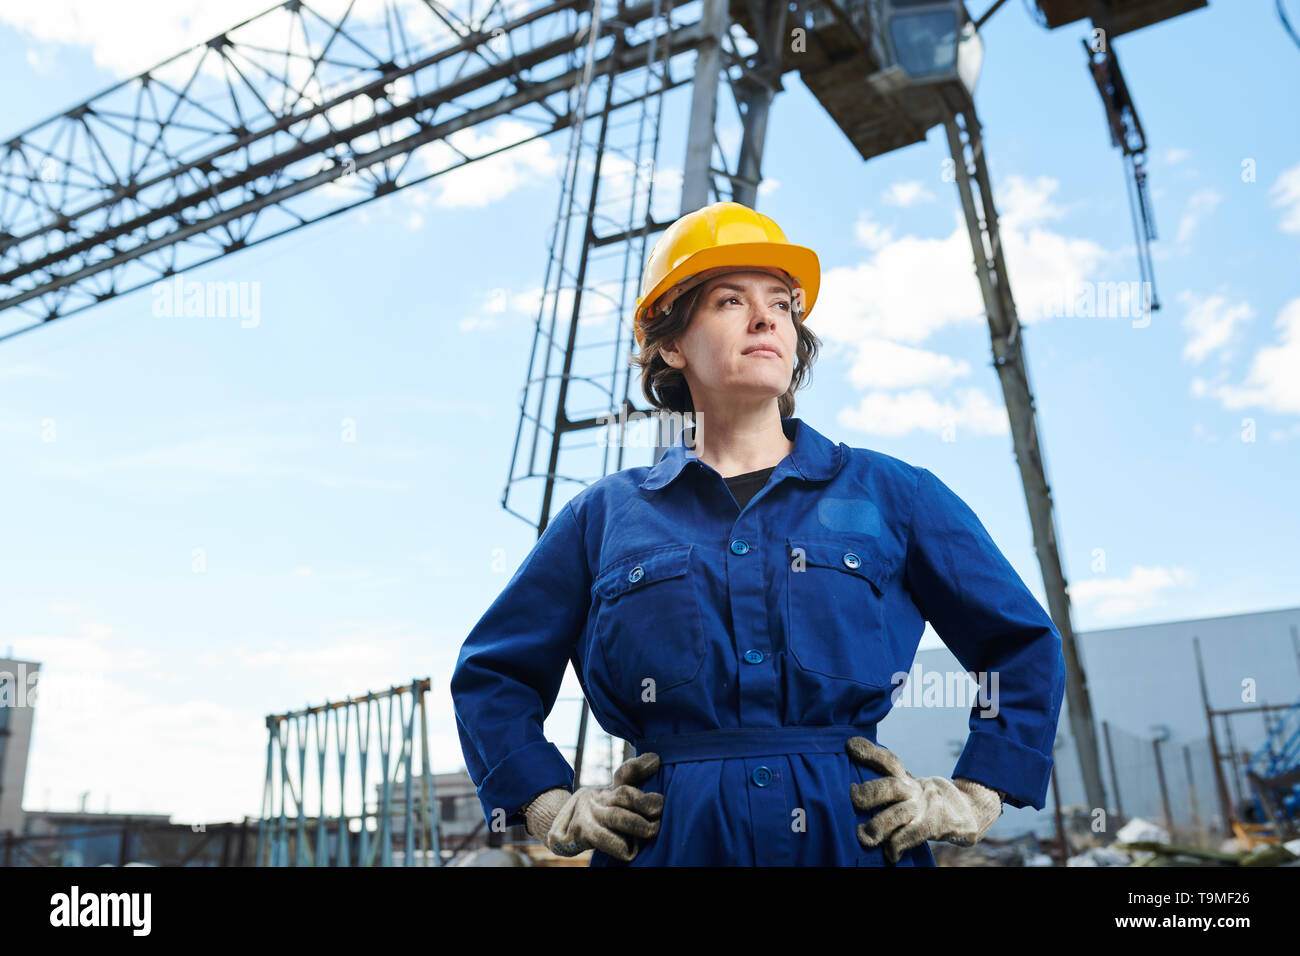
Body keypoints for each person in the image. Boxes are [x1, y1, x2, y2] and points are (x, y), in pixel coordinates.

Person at [450, 201, 1067, 866]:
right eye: (728, 300)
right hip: (669, 840)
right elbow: (493, 672)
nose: (767, 316)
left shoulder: (894, 495)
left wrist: (979, 790)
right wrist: (544, 802)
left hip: (852, 837)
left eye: (781, 302)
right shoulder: (603, 517)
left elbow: (1021, 643)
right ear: (672, 343)